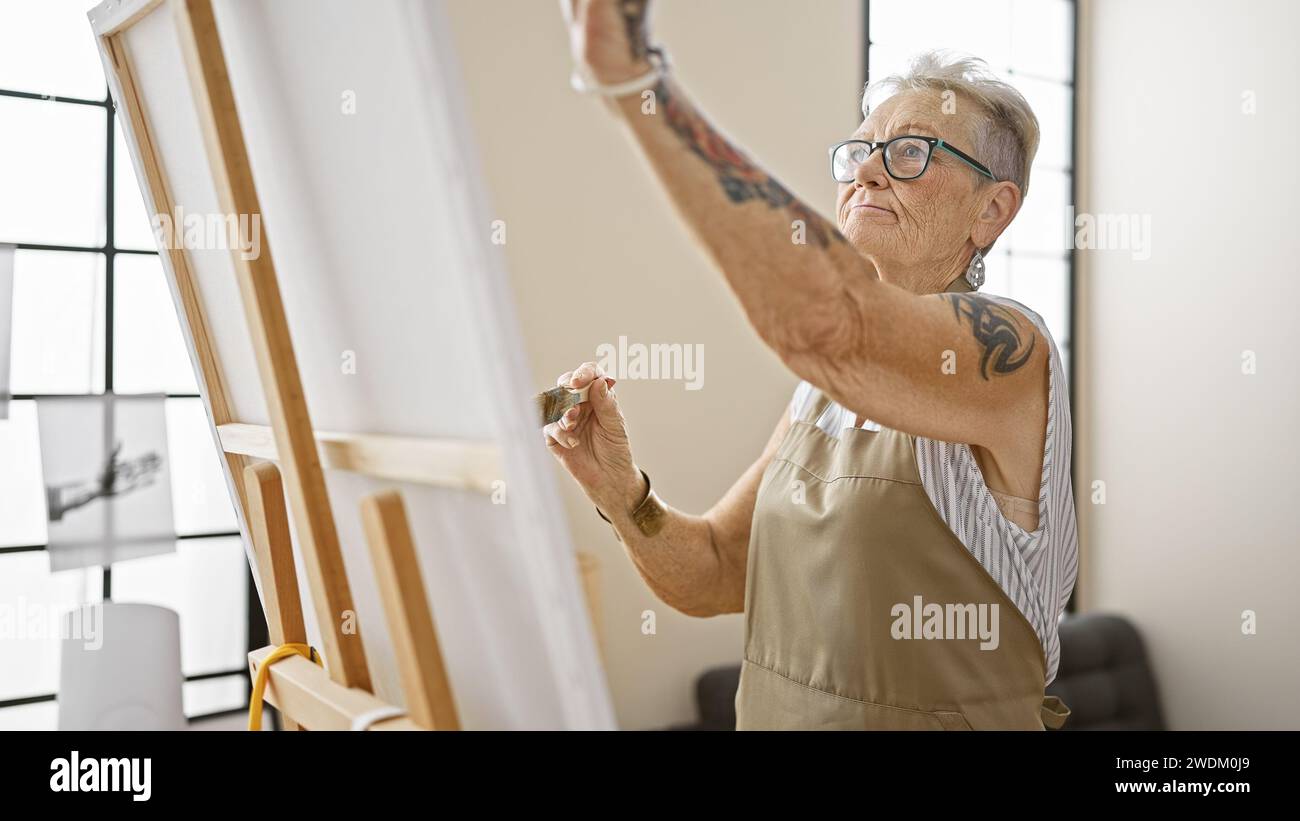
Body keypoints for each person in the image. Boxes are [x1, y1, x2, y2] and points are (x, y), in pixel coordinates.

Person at [545, 0, 1077, 730]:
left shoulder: (1012, 355)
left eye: (911, 153)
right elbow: (712, 572)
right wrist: (620, 489)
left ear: (991, 210)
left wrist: (637, 86)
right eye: (860, 151)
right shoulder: (821, 392)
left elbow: (834, 324)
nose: (869, 173)